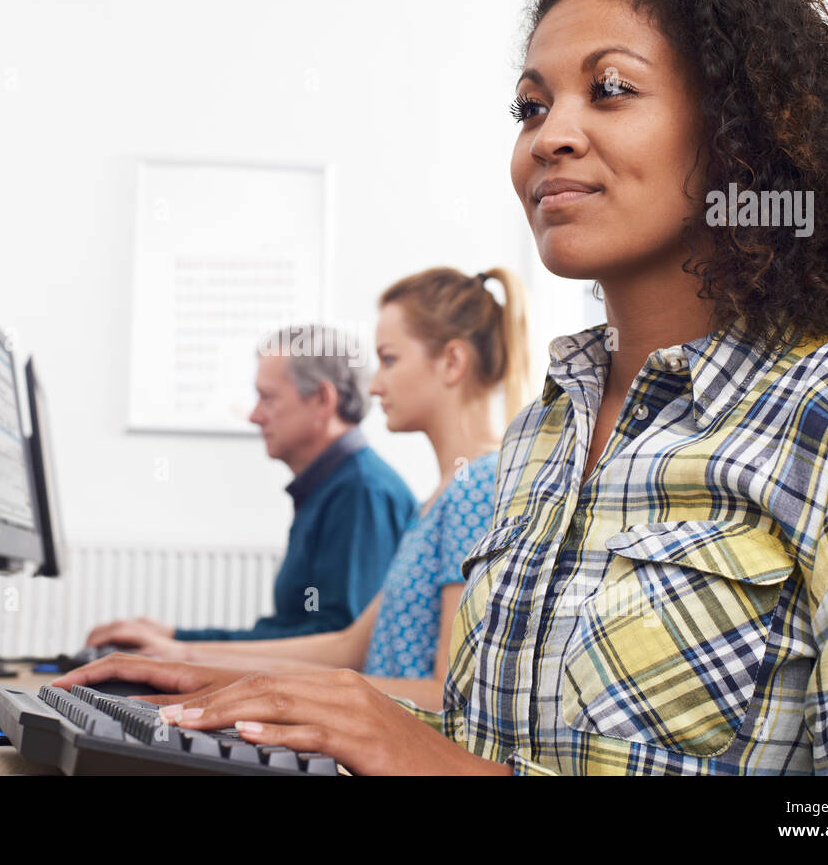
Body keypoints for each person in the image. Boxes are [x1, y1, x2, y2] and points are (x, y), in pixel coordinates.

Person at [57, 0, 828, 775]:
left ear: (741, 133)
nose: (551, 137)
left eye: (610, 89)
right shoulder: (543, 436)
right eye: (531, 106)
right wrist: (262, 699)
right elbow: (490, 744)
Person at [109, 266, 530, 711]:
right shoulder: (442, 496)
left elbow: (448, 700)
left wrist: (241, 683)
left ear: (452, 362)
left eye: (389, 360)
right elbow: (348, 647)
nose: (373, 384)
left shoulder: (477, 487)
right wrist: (184, 657)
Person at [85, 324, 416, 646]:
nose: (254, 415)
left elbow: (330, 644)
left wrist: (179, 645)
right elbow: (301, 629)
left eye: (267, 398)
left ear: (321, 400)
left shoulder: (361, 492)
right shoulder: (334, 486)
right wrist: (174, 638)